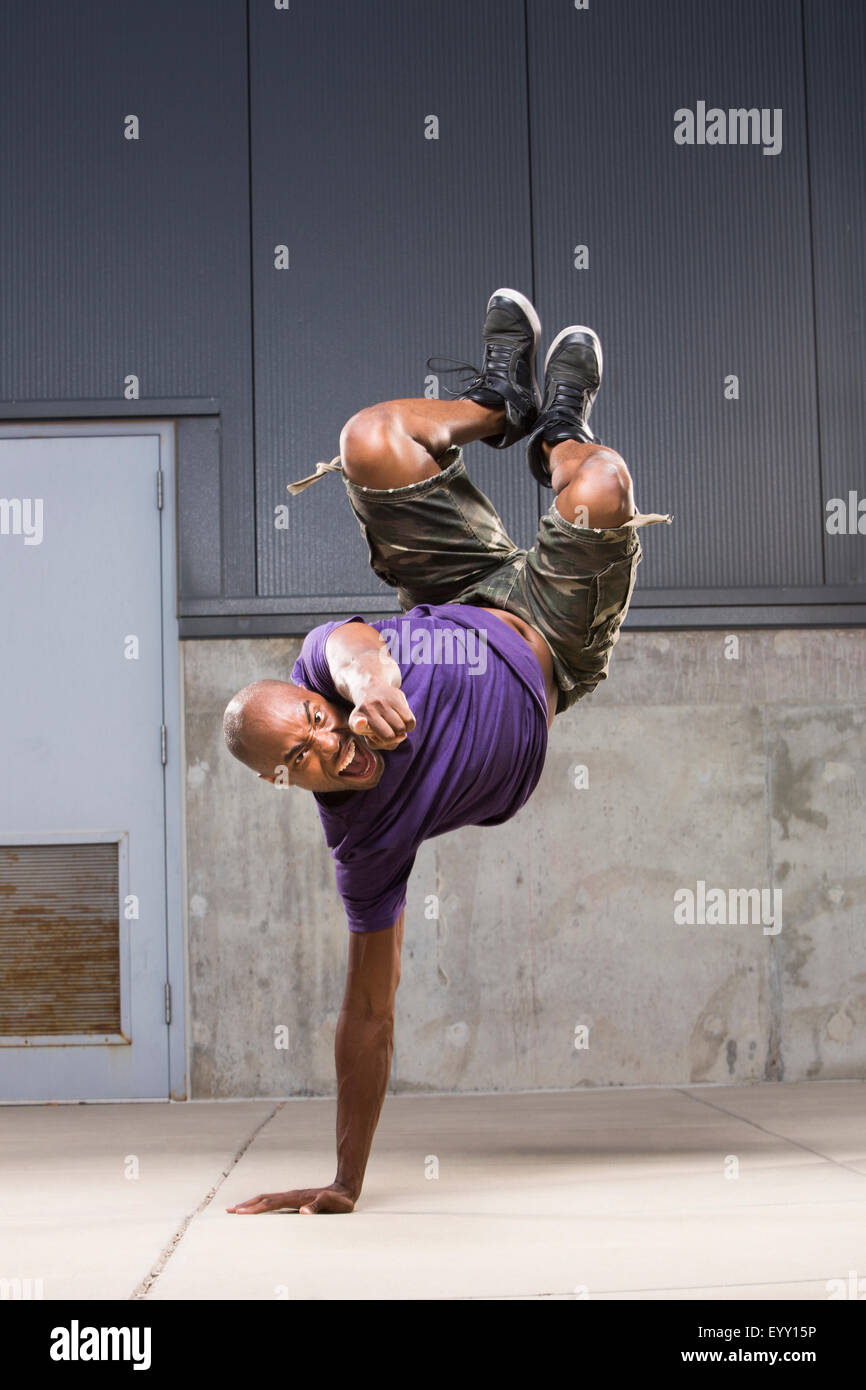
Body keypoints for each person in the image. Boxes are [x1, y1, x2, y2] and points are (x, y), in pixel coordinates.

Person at [223, 290, 671, 1216]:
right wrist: (346, 1179)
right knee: (601, 487)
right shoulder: (366, 846)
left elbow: (346, 641)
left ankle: (503, 412)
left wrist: (366, 675)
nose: (328, 741)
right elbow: (368, 1017)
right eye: (303, 756)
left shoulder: (334, 673)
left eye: (313, 719)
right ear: (283, 783)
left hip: (461, 587)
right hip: (551, 636)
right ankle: (564, 438)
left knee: (370, 439)